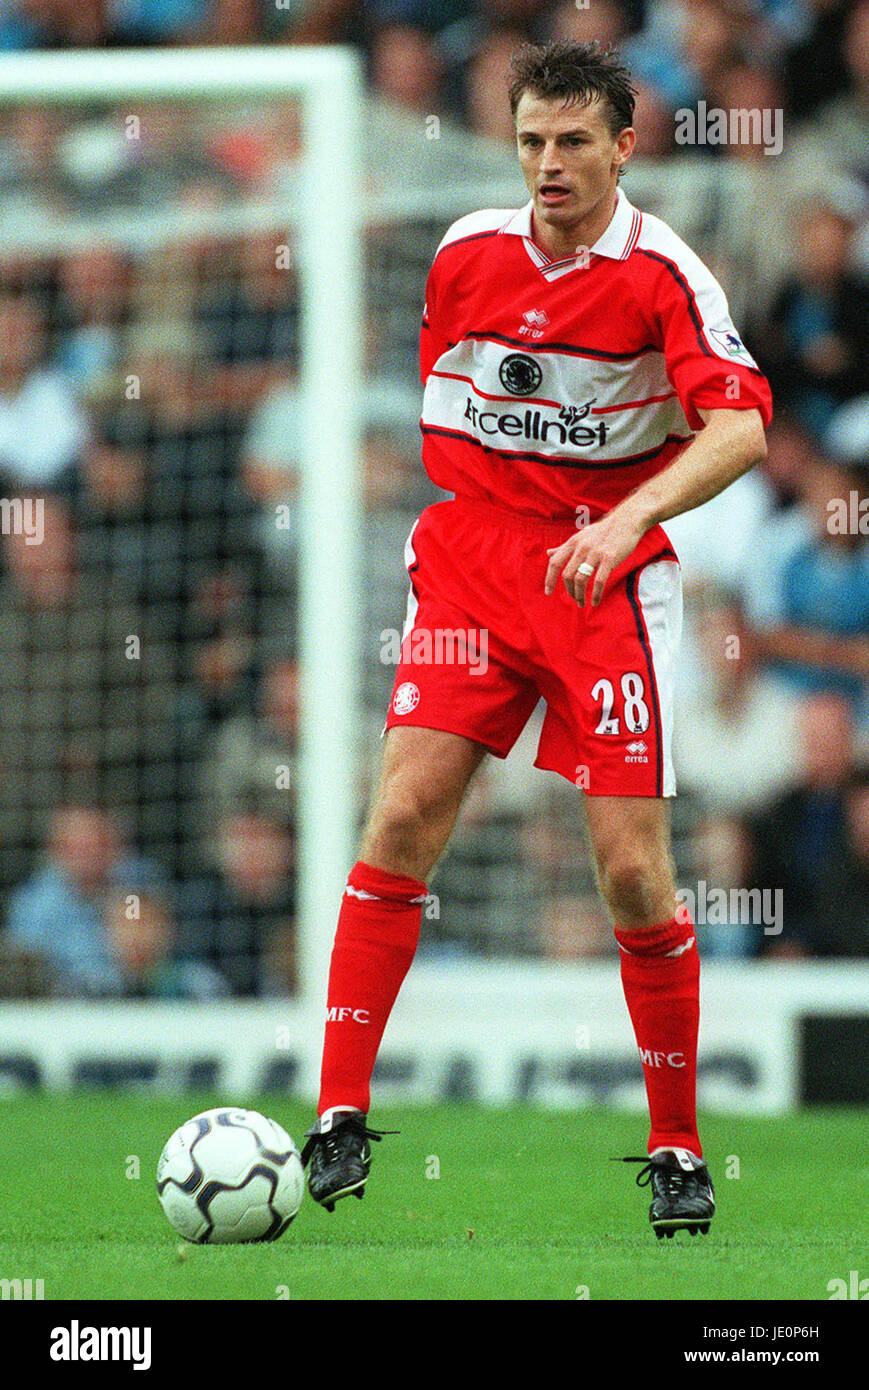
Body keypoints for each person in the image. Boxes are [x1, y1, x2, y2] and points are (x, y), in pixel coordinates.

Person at [300, 40, 771, 1240]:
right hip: (472, 563)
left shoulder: (664, 274)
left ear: (623, 143)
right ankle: (339, 1113)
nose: (547, 164)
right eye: (529, 142)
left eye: (572, 141)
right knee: (402, 811)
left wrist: (624, 516)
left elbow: (739, 433)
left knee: (627, 868)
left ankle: (673, 1144)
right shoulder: (463, 252)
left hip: (600, 574)